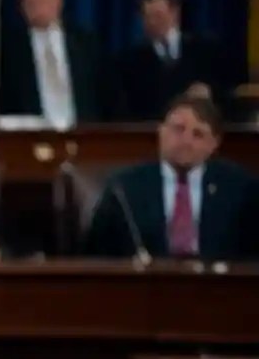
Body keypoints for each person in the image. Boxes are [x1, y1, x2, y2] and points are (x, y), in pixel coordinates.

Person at [86, 96, 258, 261]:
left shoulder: (239, 188)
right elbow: (95, 255)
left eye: (198, 134)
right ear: (161, 132)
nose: (186, 141)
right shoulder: (124, 188)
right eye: (178, 129)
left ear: (213, 144)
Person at [117, 0, 236, 121]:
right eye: (146, 17)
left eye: (158, 16)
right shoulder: (129, 61)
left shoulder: (205, 50)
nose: (152, 22)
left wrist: (209, 92)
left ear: (175, 12)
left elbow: (227, 92)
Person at [0, 0, 105, 126]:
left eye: (44, 1)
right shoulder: (11, 49)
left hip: (82, 133)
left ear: (58, 1)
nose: (39, 9)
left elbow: (100, 95)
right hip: (33, 135)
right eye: (32, 3)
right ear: (22, 7)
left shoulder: (85, 43)